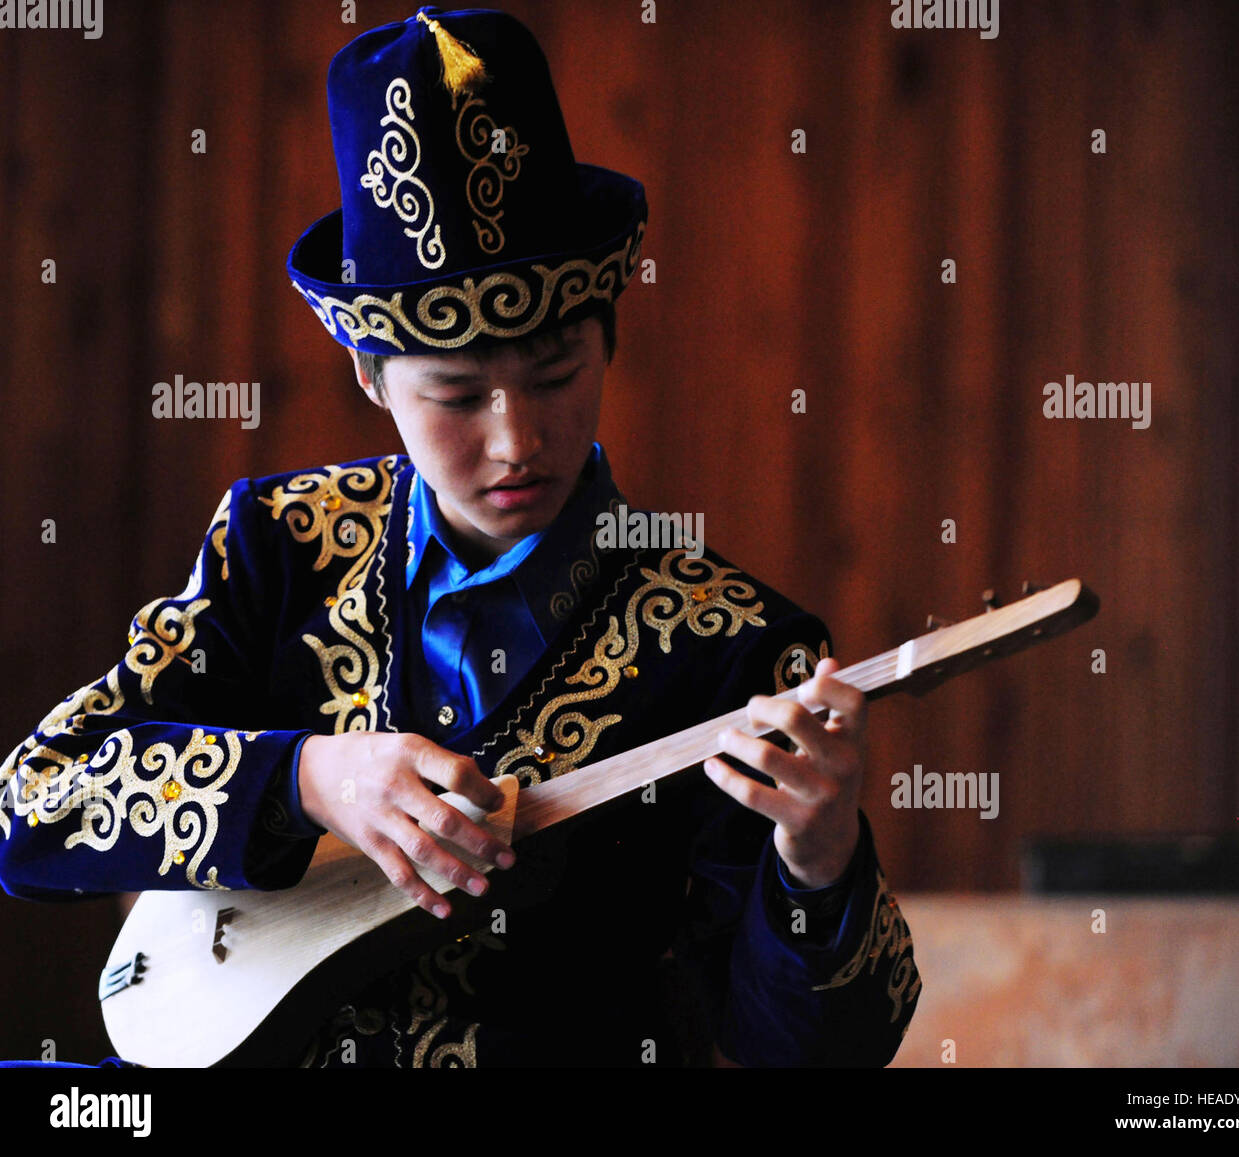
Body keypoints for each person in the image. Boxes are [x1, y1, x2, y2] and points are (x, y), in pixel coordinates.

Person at [0, 5, 920, 1068]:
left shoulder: (733, 652)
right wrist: (308, 777)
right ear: (371, 376)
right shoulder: (282, 542)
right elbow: (36, 803)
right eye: (455, 391)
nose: (515, 439)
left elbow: (814, 1051)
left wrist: (820, 856)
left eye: (556, 373)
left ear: (607, 337)